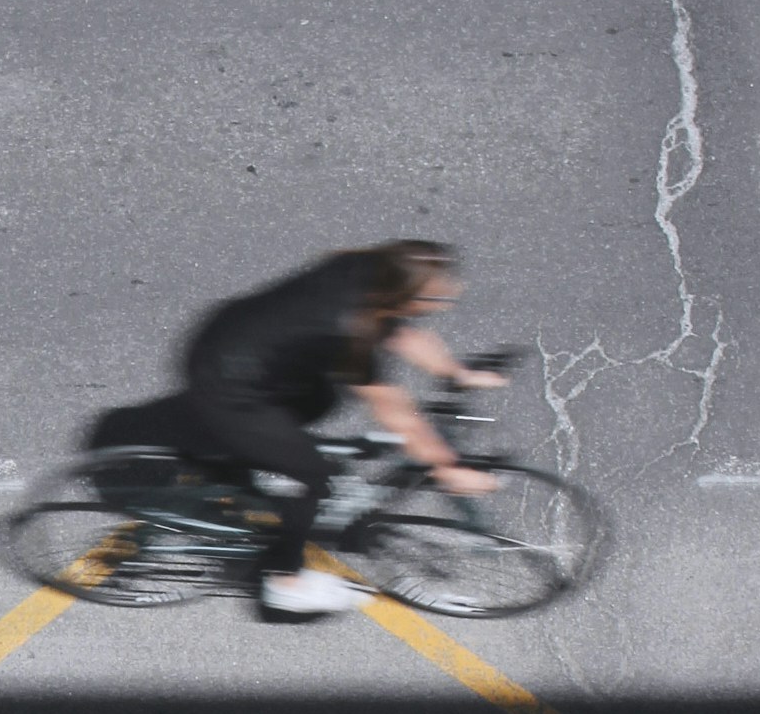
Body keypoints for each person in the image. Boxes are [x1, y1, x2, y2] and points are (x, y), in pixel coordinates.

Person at [90, 241, 504, 620]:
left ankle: (235, 472)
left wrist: (456, 372)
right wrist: (447, 468)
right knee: (314, 475)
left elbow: (402, 331)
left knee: (322, 401)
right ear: (402, 293)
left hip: (230, 338)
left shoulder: (365, 268)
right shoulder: (350, 328)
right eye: (433, 296)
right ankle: (284, 581)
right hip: (230, 385)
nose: (446, 298)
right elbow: (396, 412)